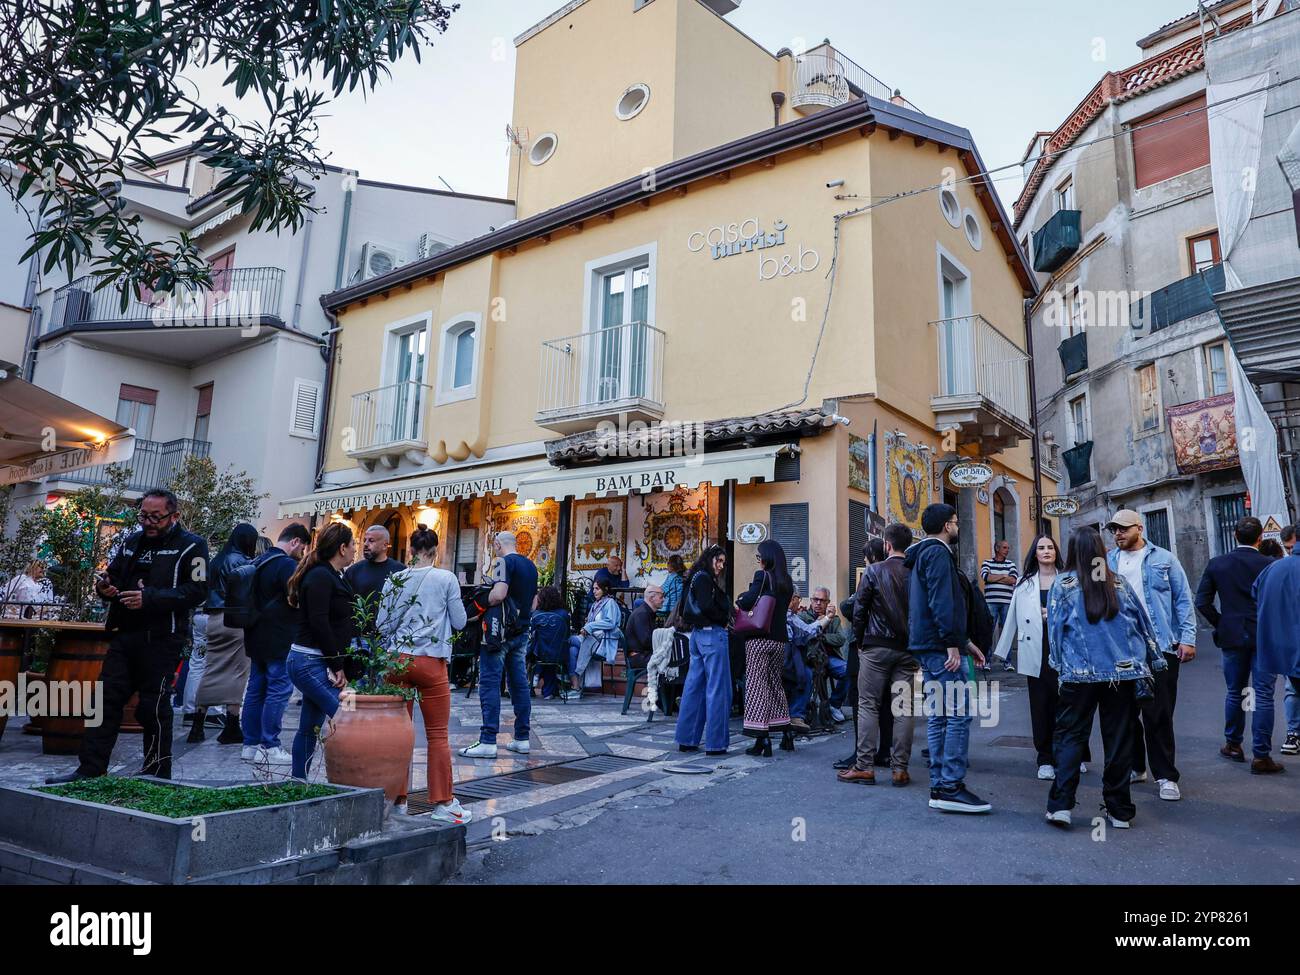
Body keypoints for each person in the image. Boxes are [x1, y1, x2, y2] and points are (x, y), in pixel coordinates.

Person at [47, 489, 209, 782]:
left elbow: (197, 591)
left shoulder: (192, 546)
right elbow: (114, 576)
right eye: (144, 516)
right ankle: (90, 769)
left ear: (174, 516)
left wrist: (150, 598)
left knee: (153, 707)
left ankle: (157, 773)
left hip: (163, 638)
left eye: (156, 517)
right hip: (125, 634)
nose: (148, 522)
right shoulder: (133, 541)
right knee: (103, 702)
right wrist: (105, 587)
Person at [1045, 528, 1167, 829]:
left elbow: (1055, 633)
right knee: (1119, 740)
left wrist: (1058, 664)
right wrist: (1155, 659)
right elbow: (1143, 624)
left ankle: (1062, 805)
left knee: (1071, 737)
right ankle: (1119, 810)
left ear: (1072, 551)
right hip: (1122, 675)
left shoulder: (1063, 584)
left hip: (1079, 675)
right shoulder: (1119, 582)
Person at [377, 527, 470, 824]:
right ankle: (443, 803)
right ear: (436, 550)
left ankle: (397, 798)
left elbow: (382, 624)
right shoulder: (446, 578)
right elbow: (459, 622)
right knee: (437, 735)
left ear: (410, 549)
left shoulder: (394, 579)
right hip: (431, 661)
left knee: (398, 734)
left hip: (397, 660)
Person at [1105, 508, 1196, 801]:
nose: (1117, 534)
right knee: (1124, 712)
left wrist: (1188, 639)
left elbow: (1183, 600)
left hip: (1160, 647)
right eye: (1114, 530)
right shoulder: (1107, 561)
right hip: (1120, 648)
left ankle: (1166, 776)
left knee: (1158, 714)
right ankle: (1136, 766)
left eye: (1123, 529)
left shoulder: (1164, 559)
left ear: (1139, 528)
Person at [905, 502, 990, 813]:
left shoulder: (920, 555)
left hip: (928, 644)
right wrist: (953, 644)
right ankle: (950, 785)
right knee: (958, 714)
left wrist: (965, 642)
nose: (957, 526)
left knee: (941, 715)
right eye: (955, 522)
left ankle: (940, 784)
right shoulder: (939, 553)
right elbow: (943, 602)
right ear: (946, 526)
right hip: (939, 646)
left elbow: (932, 604)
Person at [993, 534, 1089, 779]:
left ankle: (1072, 755)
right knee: (1041, 705)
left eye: (1050, 547)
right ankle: (1045, 758)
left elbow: (1082, 614)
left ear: (1056, 551)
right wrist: (1001, 652)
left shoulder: (1070, 580)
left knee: (1070, 704)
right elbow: (1012, 617)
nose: (1046, 551)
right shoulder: (1025, 584)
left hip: (1067, 650)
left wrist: (1054, 615)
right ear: (1034, 554)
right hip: (1036, 649)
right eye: (1041, 548)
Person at [1194, 516, 1284, 774]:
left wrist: (1221, 622)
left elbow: (1202, 602)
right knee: (1263, 694)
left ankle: (1233, 744)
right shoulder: (1270, 565)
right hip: (1264, 636)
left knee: (1236, 691)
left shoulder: (1218, 564)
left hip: (1232, 635)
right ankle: (1261, 755)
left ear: (1235, 535)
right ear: (1260, 538)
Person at [841, 522, 918, 787]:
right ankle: (900, 769)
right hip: (907, 649)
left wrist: (861, 641)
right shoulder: (916, 572)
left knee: (868, 704)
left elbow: (859, 610)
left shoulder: (873, 571)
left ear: (887, 544)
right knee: (903, 707)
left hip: (876, 646)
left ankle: (864, 765)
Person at [285, 523, 356, 782]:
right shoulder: (319, 577)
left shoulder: (333, 575)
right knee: (350, 714)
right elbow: (319, 622)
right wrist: (336, 665)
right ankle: (353, 781)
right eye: (353, 545)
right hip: (308, 661)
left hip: (318, 661)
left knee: (309, 727)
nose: (355, 550)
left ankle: (298, 782)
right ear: (342, 548)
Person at [239, 522, 312, 765]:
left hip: (255, 633)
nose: (301, 554)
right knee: (278, 690)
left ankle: (250, 744)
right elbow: (297, 598)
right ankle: (269, 745)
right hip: (279, 636)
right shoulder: (287, 565)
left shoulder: (259, 561)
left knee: (255, 689)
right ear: (295, 542)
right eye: (302, 548)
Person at [460, 531, 537, 759]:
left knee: (490, 683)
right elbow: (533, 603)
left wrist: (484, 598)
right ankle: (522, 738)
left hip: (498, 633)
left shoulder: (502, 562)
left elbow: (498, 595)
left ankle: (488, 740)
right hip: (521, 632)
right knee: (519, 683)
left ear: (497, 544)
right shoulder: (531, 566)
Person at [190, 523, 259, 745]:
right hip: (235, 620)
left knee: (211, 670)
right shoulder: (243, 562)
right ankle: (231, 726)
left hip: (213, 618)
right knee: (238, 673)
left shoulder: (217, 560)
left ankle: (197, 725)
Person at [739, 539, 796, 756]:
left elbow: (747, 602)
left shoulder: (762, 576)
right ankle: (786, 732)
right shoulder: (787, 581)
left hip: (759, 638)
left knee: (756, 686)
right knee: (774, 685)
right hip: (779, 640)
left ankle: (761, 739)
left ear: (766, 558)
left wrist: (742, 597)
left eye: (759, 556)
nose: (758, 560)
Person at [673, 544, 732, 755]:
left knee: (693, 687)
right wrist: (723, 618)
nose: (721, 566)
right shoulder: (705, 579)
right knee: (718, 689)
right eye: (719, 561)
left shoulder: (693, 577)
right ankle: (716, 744)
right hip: (711, 635)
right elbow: (707, 606)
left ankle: (687, 739)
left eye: (724, 562)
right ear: (710, 559)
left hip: (697, 636)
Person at [1254, 541, 1300, 762]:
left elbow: (1257, 594)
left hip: (1286, 649)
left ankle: (1293, 735)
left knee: (1293, 690)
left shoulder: (1273, 568)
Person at [344, 525, 406, 635]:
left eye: (371, 541)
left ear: (385, 545)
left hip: (389, 638)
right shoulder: (354, 571)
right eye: (365, 540)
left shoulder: (400, 571)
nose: (366, 544)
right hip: (358, 637)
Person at [567, 577, 622, 696]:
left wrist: (590, 626)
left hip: (602, 641)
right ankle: (575, 686)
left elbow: (611, 622)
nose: (594, 591)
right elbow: (590, 625)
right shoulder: (595, 604)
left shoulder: (610, 603)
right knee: (572, 650)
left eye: (597, 589)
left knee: (569, 640)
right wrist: (587, 626)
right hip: (591, 639)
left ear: (605, 589)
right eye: (593, 589)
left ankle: (565, 677)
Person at [801, 587, 848, 722]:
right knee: (805, 675)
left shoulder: (835, 620)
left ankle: (834, 704)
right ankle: (803, 711)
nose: (818, 603)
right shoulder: (803, 617)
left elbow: (840, 639)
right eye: (815, 599)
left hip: (830, 658)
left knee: (847, 671)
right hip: (810, 659)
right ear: (811, 600)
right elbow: (807, 638)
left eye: (822, 600)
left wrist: (822, 637)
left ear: (828, 602)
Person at [528, 585, 572, 700]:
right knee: (550, 659)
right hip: (559, 654)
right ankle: (549, 691)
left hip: (540, 653)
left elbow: (531, 636)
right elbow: (567, 634)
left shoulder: (536, 615)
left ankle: (535, 678)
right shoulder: (564, 614)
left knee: (536, 651)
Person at [980, 539, 1019, 665]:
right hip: (991, 602)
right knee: (988, 631)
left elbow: (1013, 580)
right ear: (997, 548)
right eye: (1004, 548)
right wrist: (1004, 577)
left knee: (1006, 632)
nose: (1007, 550)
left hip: (1007, 602)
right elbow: (986, 577)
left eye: (1008, 548)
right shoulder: (987, 562)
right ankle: (986, 660)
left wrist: (995, 578)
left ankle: (1007, 662)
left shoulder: (1011, 564)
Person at [625, 584, 663, 672]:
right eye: (661, 597)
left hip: (643, 655)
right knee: (671, 660)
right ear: (651, 598)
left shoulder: (646, 612)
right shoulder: (642, 614)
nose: (663, 600)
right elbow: (646, 641)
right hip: (638, 657)